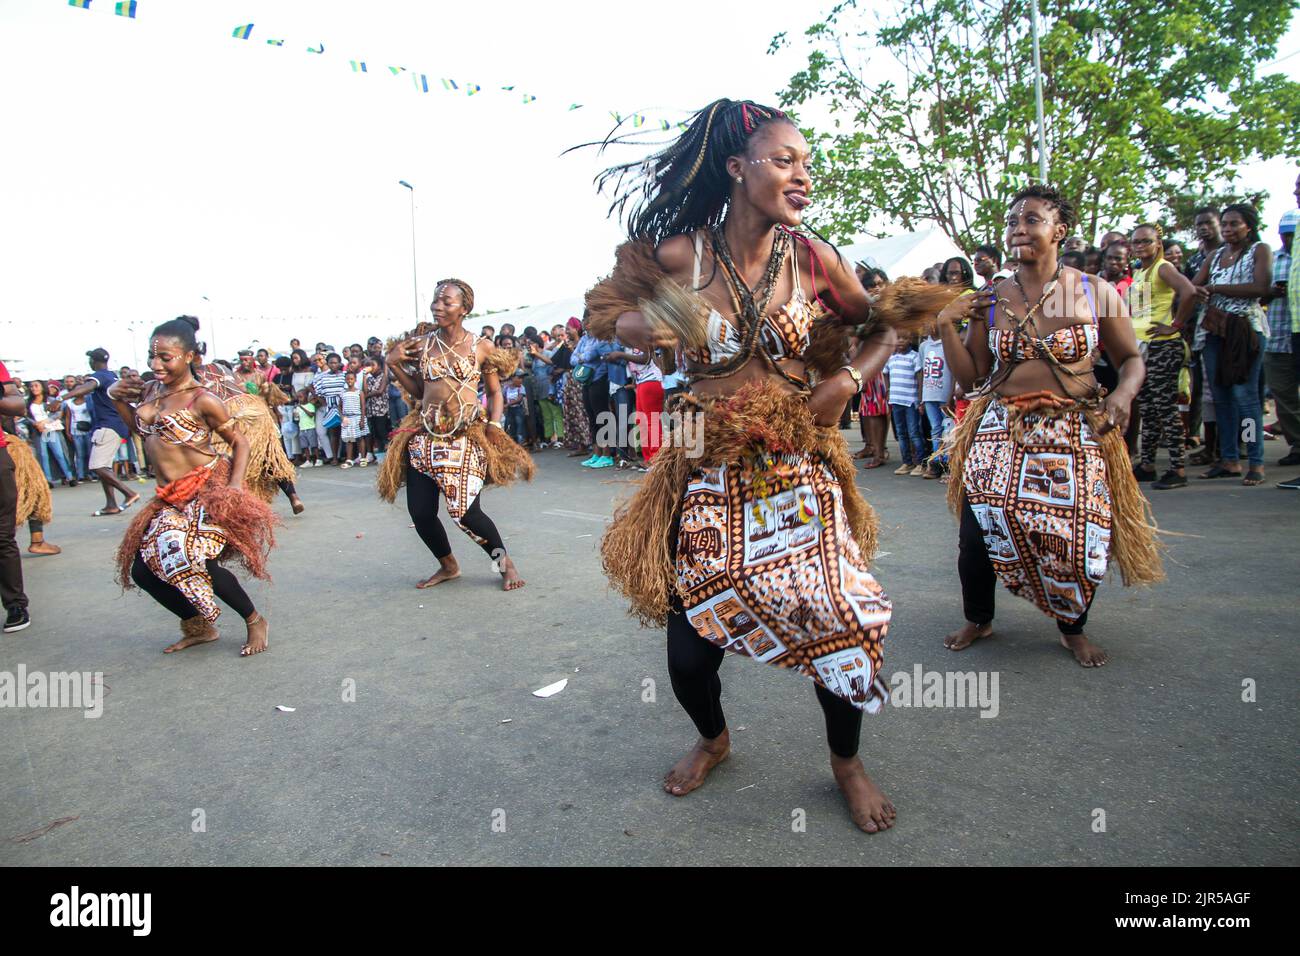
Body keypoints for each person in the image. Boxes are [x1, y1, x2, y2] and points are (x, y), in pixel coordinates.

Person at [586, 98, 954, 833]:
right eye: (785, 160)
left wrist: (849, 379)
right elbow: (607, 313)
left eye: (807, 164)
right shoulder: (682, 256)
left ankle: (846, 763)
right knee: (690, 654)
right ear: (736, 167)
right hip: (704, 469)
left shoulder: (815, 259)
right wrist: (659, 321)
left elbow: (886, 322)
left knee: (841, 622)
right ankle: (714, 739)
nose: (802, 176)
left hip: (795, 467)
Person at [938, 184, 1162, 668]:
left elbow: (1131, 360)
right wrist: (944, 326)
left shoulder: (1092, 290)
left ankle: (1071, 627)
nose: (1019, 227)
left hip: (1074, 428)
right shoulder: (991, 297)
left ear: (1059, 230)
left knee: (1078, 538)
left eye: (1032, 219)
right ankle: (979, 616)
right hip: (1003, 427)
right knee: (979, 534)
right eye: (1013, 219)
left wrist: (1122, 395)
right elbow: (972, 377)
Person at [109, 317, 276, 656]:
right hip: (168, 497)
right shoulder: (151, 391)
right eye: (152, 357)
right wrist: (116, 400)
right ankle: (199, 625)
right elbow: (142, 432)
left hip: (203, 489)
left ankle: (254, 619)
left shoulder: (202, 399)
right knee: (142, 569)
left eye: (165, 358)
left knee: (199, 559)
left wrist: (233, 488)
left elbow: (239, 442)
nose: (156, 365)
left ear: (189, 357)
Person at [379, 278, 534, 591]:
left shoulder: (481, 346)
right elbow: (420, 393)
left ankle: (504, 564)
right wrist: (393, 366)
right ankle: (448, 565)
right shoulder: (421, 344)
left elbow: (494, 391)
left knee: (466, 513)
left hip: (464, 436)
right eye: (436, 301)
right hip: (424, 435)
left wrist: (494, 424)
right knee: (421, 513)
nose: (438, 306)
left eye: (446, 302)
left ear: (464, 308)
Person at [1185, 203, 1272, 486]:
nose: (1228, 229)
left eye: (1235, 223)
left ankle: (1256, 461)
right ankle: (1229, 459)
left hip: (1245, 329)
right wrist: (1193, 295)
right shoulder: (1216, 255)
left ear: (1249, 225)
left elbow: (1261, 287)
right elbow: (1195, 286)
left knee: (1245, 396)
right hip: (1213, 330)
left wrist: (1215, 288)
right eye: (1225, 224)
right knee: (1220, 397)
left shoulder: (1259, 250)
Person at [1128, 223, 1199, 488]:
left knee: (1165, 406)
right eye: (1135, 242)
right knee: (1147, 407)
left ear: (1158, 243)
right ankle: (1147, 464)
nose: (1140, 246)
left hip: (1163, 345)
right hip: (1143, 344)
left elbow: (1189, 291)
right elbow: (1141, 310)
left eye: (1146, 241)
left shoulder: (1163, 268)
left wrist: (1176, 324)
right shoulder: (1141, 271)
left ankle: (1177, 469)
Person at [219, 349, 304, 512]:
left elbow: (272, 397)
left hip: (262, 421)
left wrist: (265, 397)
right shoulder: (232, 381)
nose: (244, 363)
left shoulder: (260, 376)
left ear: (252, 361)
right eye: (242, 360)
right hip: (241, 427)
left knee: (273, 459)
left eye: (247, 360)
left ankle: (294, 497)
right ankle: (253, 505)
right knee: (252, 465)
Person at [61, 348, 141, 516]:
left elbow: (87, 387)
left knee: (97, 466)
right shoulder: (112, 375)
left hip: (108, 426)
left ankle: (129, 493)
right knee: (104, 466)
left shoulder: (100, 376)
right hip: (116, 424)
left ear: (93, 361)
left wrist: (62, 398)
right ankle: (111, 504)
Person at [1185, 208, 1225, 464]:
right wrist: (1184, 325)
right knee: (1203, 392)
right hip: (1201, 332)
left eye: (1208, 223)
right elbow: (1189, 292)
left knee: (1238, 395)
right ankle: (1212, 447)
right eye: (1198, 224)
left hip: (1233, 332)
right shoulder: (1195, 261)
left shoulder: (1237, 252)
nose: (1203, 228)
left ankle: (1241, 444)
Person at [1262, 210, 1298, 468]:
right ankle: (1297, 445)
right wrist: (1271, 292)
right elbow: (1258, 294)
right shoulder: (1274, 260)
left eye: (1293, 234)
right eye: (1284, 234)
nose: (1289, 239)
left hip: (1296, 331)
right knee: (1283, 395)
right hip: (1277, 337)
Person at [919, 324, 954, 478]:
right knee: (935, 430)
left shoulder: (948, 343)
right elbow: (921, 371)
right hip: (929, 394)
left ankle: (948, 463)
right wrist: (921, 397)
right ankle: (935, 463)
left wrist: (949, 397)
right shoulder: (924, 346)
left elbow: (954, 370)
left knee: (948, 430)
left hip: (944, 395)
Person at [885, 339, 925, 475]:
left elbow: (920, 377)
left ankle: (920, 463)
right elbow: (885, 373)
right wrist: (888, 390)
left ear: (910, 340)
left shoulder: (914, 356)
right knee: (901, 433)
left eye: (904, 337)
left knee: (914, 432)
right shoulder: (891, 357)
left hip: (910, 401)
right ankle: (907, 462)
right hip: (896, 400)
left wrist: (920, 398)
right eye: (897, 338)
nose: (900, 341)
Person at [26, 380, 76, 486]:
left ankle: (69, 476)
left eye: (36, 386)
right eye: (31, 386)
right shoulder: (28, 402)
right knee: (43, 455)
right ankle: (47, 480)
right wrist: (35, 424)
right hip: (38, 431)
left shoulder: (50, 400)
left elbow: (59, 412)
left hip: (50, 430)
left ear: (42, 388)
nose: (34, 388)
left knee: (59, 453)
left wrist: (45, 421)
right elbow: (26, 416)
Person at [559, 318, 591, 455]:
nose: (566, 331)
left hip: (581, 378)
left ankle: (587, 444)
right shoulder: (566, 345)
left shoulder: (583, 341)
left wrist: (575, 352)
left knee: (581, 412)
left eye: (568, 328)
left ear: (577, 328)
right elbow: (568, 361)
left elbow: (579, 360)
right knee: (571, 411)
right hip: (571, 380)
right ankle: (579, 444)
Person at [310, 352, 348, 464]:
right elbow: (318, 392)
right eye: (331, 363)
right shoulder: (322, 377)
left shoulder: (344, 375)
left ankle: (346, 456)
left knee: (345, 432)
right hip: (330, 406)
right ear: (328, 363)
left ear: (339, 363)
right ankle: (335, 457)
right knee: (333, 433)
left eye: (335, 363)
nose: (333, 365)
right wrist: (325, 403)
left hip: (344, 405)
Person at [339, 369, 369, 467]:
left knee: (360, 438)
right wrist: (342, 417)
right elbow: (339, 406)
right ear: (345, 380)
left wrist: (362, 419)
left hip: (358, 417)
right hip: (347, 418)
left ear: (355, 380)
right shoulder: (343, 392)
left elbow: (363, 406)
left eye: (351, 379)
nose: (350, 381)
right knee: (349, 439)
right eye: (348, 379)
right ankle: (349, 459)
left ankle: (363, 458)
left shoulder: (359, 392)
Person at [364, 355, 391, 461]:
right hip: (371, 410)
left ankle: (388, 452)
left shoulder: (383, 376)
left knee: (382, 430)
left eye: (372, 365)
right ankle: (380, 455)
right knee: (375, 432)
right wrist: (364, 377)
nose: (370, 367)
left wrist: (368, 395)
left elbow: (380, 391)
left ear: (379, 366)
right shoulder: (369, 378)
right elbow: (365, 391)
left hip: (381, 409)